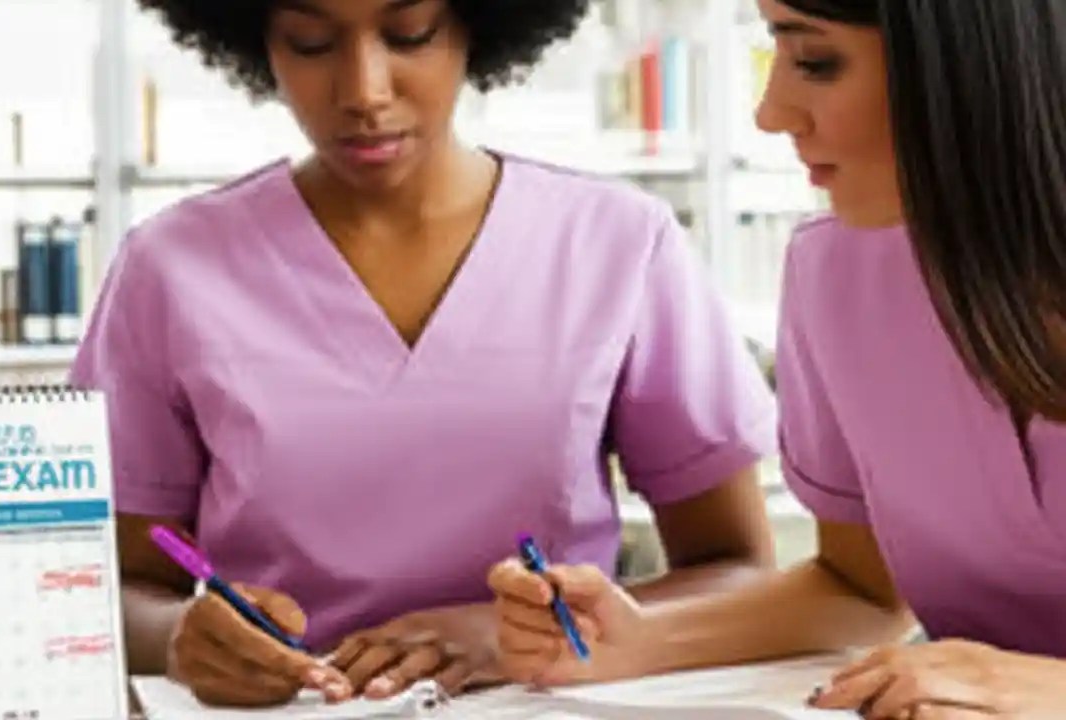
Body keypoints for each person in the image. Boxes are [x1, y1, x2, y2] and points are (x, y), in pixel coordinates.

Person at [70, 0, 779, 709]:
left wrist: (522, 636)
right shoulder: (171, 268)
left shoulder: (617, 244)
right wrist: (177, 636)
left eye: (410, 35)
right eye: (311, 43)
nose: (364, 91)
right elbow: (107, 590)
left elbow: (740, 570)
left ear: (477, 25)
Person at [490, 0, 1066, 716]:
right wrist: (641, 640)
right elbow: (861, 589)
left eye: (815, 62)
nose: (769, 114)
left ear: (970, 63)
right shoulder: (836, 274)